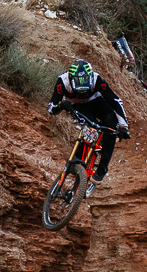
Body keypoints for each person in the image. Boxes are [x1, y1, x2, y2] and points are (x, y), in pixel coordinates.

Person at [47, 59, 129, 196]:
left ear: (90, 78)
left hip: (97, 103)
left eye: (85, 89)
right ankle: (78, 161)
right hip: (78, 106)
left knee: (111, 124)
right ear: (71, 79)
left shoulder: (97, 80)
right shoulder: (62, 82)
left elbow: (114, 101)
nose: (83, 93)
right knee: (91, 127)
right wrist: (61, 105)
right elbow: (51, 108)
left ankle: (102, 168)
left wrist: (123, 126)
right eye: (79, 90)